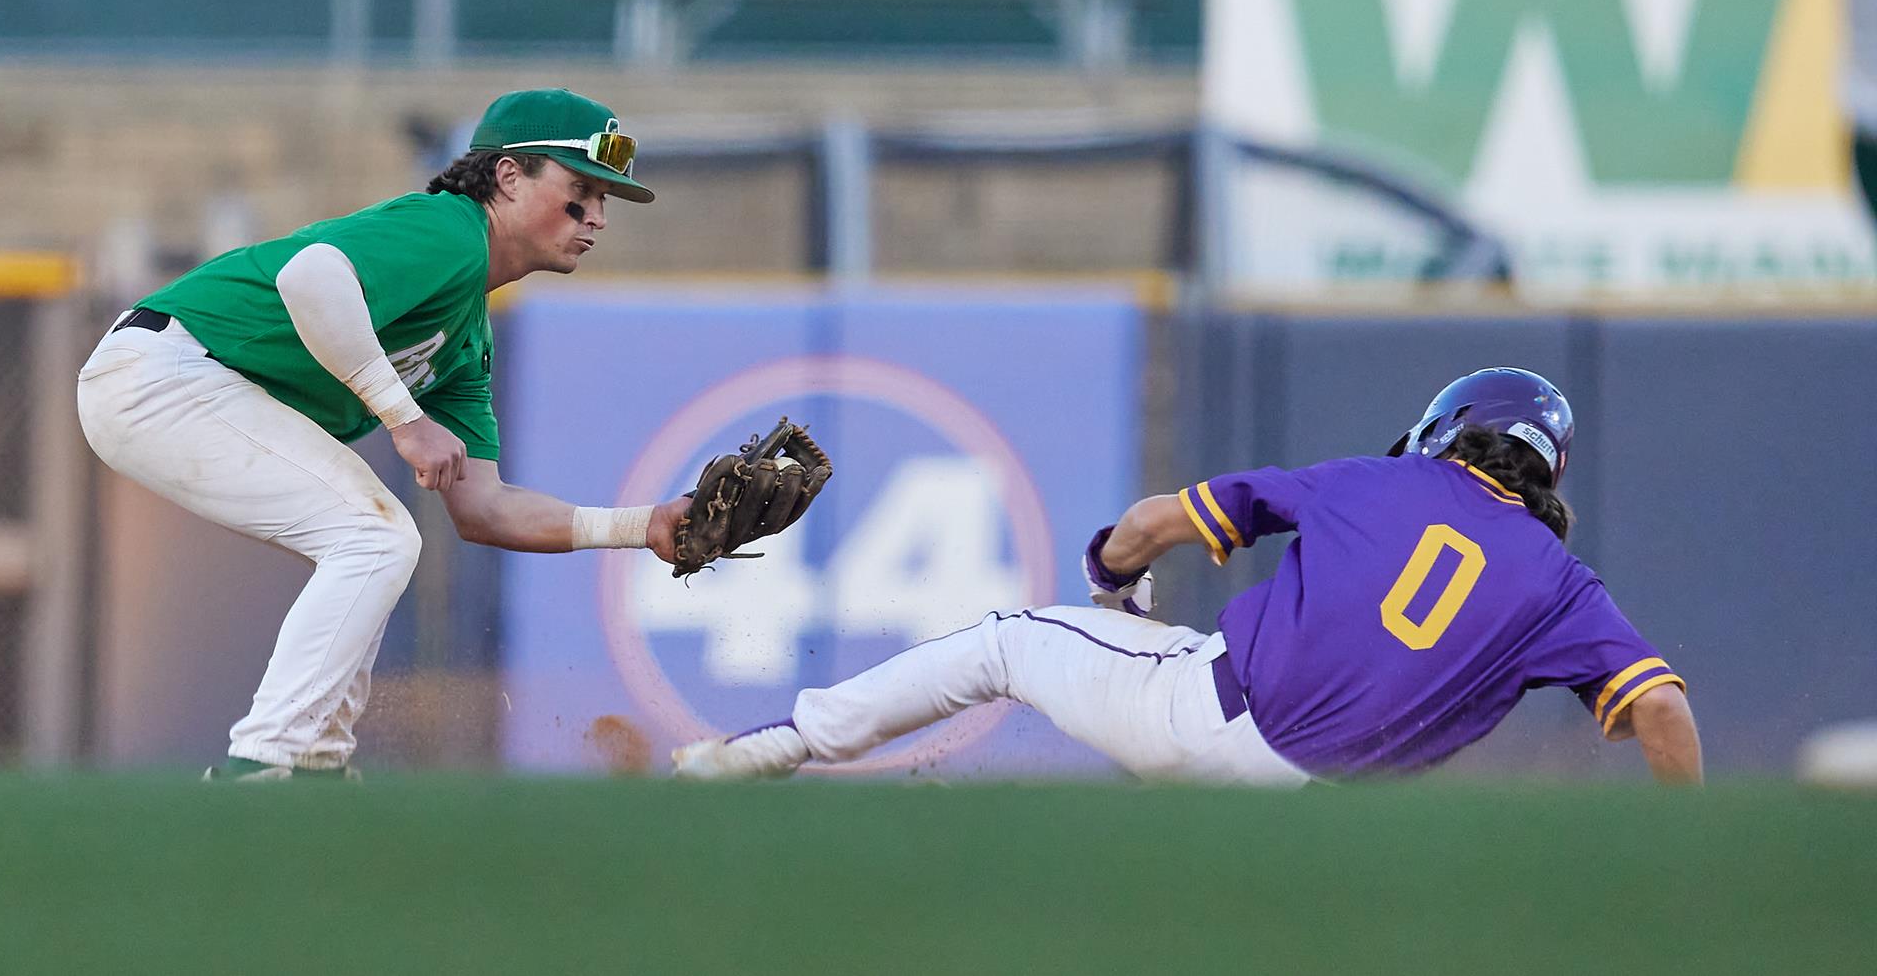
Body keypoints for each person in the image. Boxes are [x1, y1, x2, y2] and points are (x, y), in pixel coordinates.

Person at [673, 368, 1703, 786]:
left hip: (1208, 719)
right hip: (1339, 821)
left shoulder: (1371, 480)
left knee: (1002, 642)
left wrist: (1110, 587)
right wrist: (1682, 845)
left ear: (1444, 433)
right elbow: (1658, 708)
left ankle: (778, 745)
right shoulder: (1566, 587)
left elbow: (1151, 525)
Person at [78, 88, 694, 780]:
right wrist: (407, 421)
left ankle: (315, 762)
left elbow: (484, 508)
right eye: (580, 187)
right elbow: (309, 278)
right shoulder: (453, 230)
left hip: (186, 383)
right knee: (374, 536)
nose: (597, 216)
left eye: (606, 198)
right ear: (509, 176)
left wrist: (643, 526)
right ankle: (267, 759)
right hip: (163, 369)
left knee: (371, 538)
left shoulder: (465, 337)